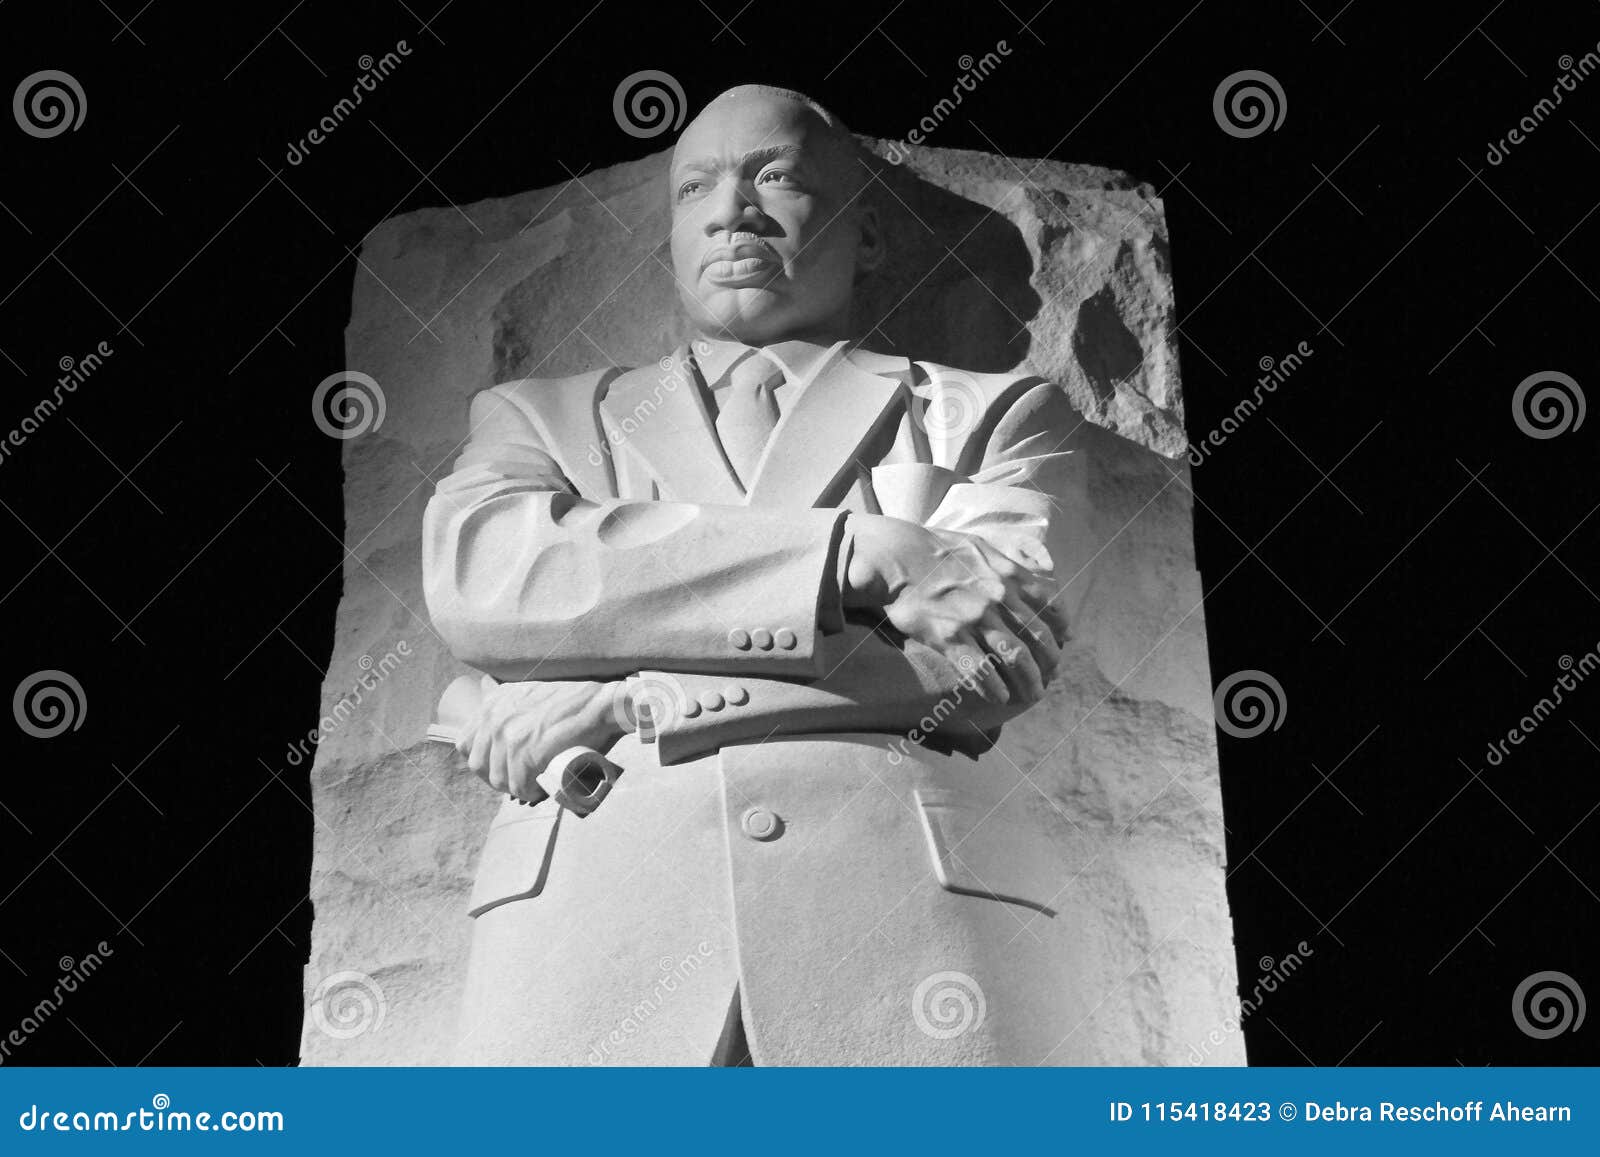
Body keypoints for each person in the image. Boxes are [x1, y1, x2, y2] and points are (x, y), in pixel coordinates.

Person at [422, 84, 1100, 1064]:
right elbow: (488, 580)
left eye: (774, 178)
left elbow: (992, 660)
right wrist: (860, 552)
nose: (730, 209)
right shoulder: (541, 417)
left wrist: (623, 697)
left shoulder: (992, 413)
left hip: (905, 926)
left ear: (865, 237)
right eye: (695, 185)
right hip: (593, 926)